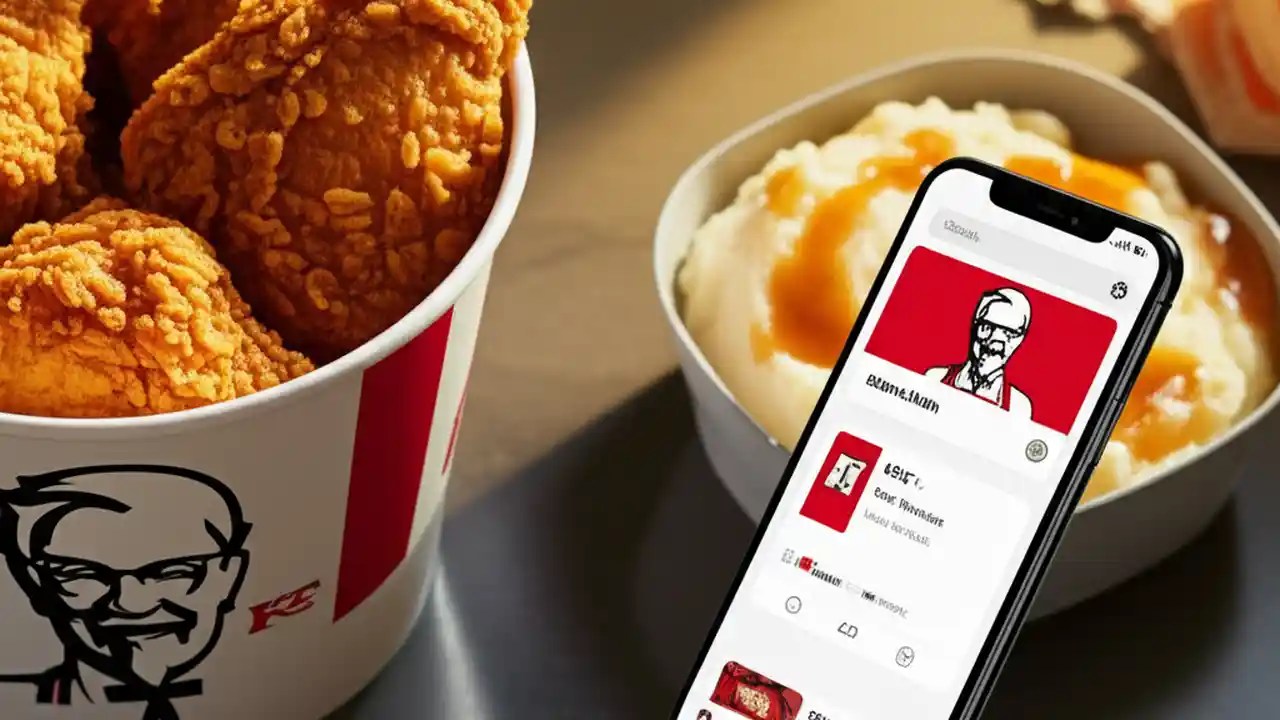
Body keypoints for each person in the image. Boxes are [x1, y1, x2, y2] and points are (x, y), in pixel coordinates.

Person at [0, 465, 251, 720]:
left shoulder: (281, 677)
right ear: (37, 585)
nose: (132, 604)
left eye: (174, 572)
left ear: (228, 574)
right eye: (81, 574)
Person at [925, 287, 1034, 418]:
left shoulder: (1019, 407)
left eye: (1009, 334)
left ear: (1020, 339)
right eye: (988, 327)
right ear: (975, 325)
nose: (995, 345)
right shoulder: (935, 378)